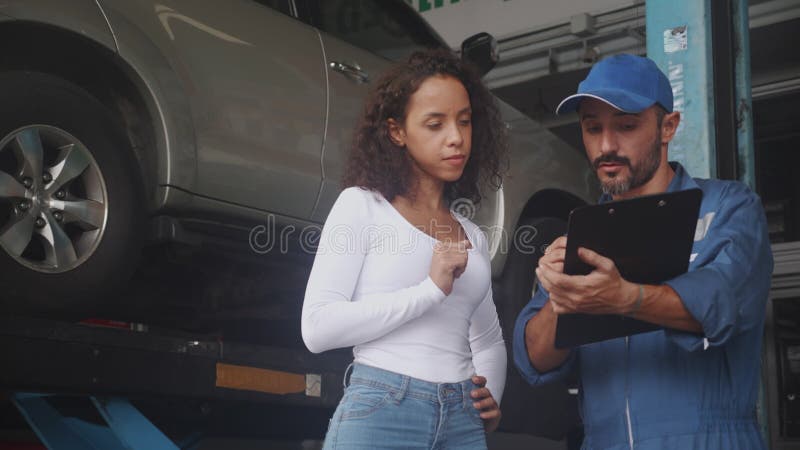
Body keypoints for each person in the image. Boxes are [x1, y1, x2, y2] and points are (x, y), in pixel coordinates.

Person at [512, 54, 774, 449]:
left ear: (668, 127)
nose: (606, 145)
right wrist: (562, 301)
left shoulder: (728, 207)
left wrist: (625, 298)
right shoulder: (581, 234)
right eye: (592, 128)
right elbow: (534, 356)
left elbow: (724, 303)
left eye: (627, 126)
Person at [302, 48, 508, 449]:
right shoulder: (362, 205)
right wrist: (428, 291)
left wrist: (491, 400)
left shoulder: (474, 235)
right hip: (384, 406)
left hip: (463, 418)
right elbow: (317, 327)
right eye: (435, 124)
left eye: (464, 122)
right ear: (397, 131)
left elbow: (488, 341)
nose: (456, 137)